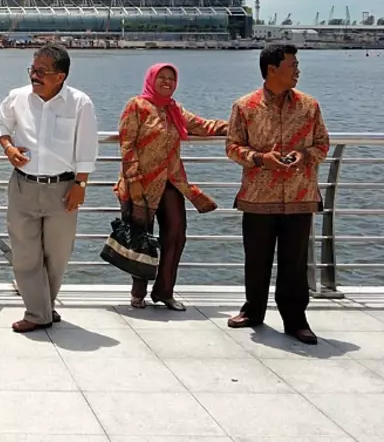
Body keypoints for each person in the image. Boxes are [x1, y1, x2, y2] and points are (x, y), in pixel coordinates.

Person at [224, 43, 329, 344]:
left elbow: (322, 144)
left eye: (297, 65)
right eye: (292, 65)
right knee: (256, 259)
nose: (297, 70)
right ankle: (253, 311)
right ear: (272, 69)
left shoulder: (310, 106)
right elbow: (232, 147)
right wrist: (259, 159)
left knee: (294, 263)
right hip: (257, 196)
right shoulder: (244, 106)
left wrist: (304, 156)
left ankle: (296, 320)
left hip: (299, 196)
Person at [0, 43, 98, 333]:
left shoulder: (80, 103)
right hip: (23, 185)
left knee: (58, 253)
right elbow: (1, 124)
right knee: (25, 252)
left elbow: (87, 146)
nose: (34, 76)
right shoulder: (17, 97)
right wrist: (8, 148)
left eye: (42, 71)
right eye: (32, 69)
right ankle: (39, 312)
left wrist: (81, 183)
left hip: (63, 187)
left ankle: (43, 308)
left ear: (60, 76)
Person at [116, 63, 227, 310]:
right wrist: (133, 181)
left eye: (171, 78)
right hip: (141, 183)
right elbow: (127, 144)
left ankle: (165, 291)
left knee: (176, 234)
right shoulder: (137, 106)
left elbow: (203, 126)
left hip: (170, 181)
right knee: (139, 238)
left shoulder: (175, 110)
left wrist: (237, 127)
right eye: (162, 77)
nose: (167, 82)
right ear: (151, 79)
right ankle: (138, 292)